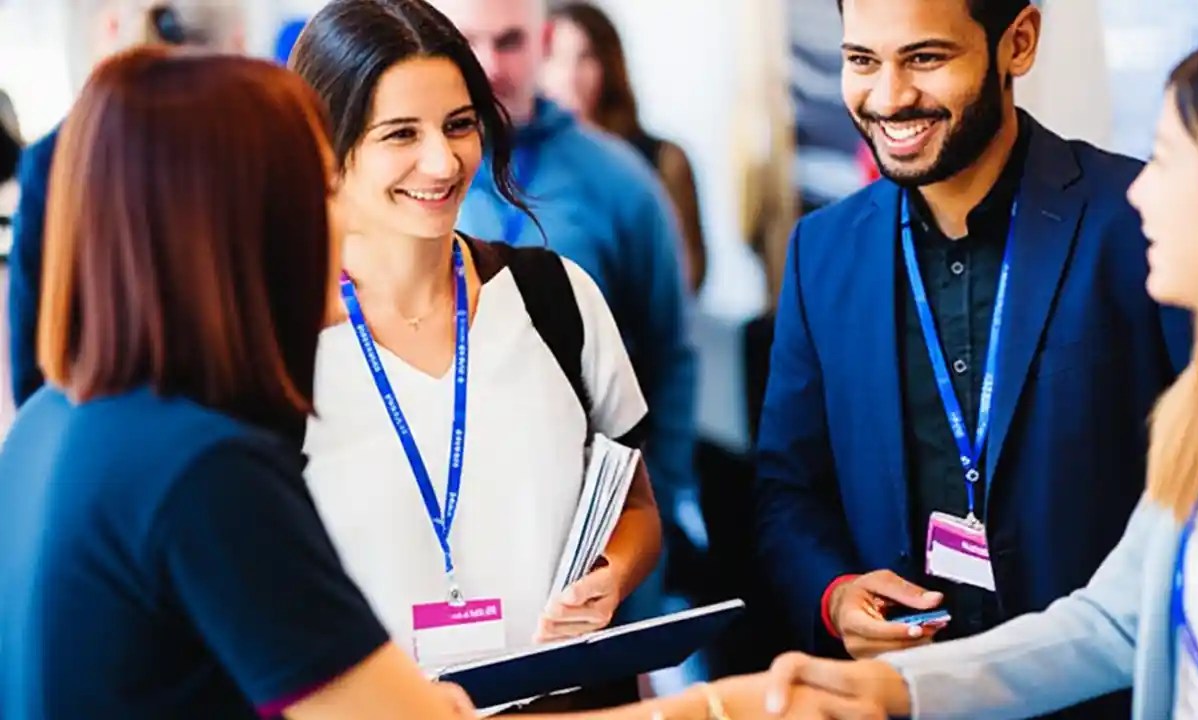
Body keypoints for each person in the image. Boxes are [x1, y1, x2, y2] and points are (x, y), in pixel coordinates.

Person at [0, 44, 866, 720]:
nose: (336, 220)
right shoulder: (200, 468)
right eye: (315, 187)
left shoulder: (54, 425)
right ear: (237, 223)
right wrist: (719, 704)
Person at [760, 24, 1198, 720]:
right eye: (861, 60)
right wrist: (859, 635)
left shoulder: (1121, 227)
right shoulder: (821, 251)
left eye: (926, 57)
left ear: (1019, 43)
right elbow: (1113, 622)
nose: (888, 95)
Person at [288, 0, 662, 703]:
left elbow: (636, 505)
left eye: (460, 125)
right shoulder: (270, 346)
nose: (444, 160)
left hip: (570, 698)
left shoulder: (556, 297)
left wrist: (611, 573)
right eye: (401, 134)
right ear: (327, 144)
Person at [430, 0, 698, 625]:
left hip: (599, 522)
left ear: (545, 40)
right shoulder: (417, 180)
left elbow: (669, 350)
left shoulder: (619, 180)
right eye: (470, 41)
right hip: (449, 523)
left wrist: (667, 500)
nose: (490, 65)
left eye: (510, 42)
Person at [6, 0, 245, 409]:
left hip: (85, 406)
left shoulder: (59, 152)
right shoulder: (245, 144)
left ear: (112, 28)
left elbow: (33, 341)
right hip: (222, 403)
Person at [542, 1, 706, 294]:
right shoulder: (523, 164)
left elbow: (690, 275)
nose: (571, 75)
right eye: (556, 58)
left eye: (585, 57)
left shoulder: (664, 160)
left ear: (608, 63)